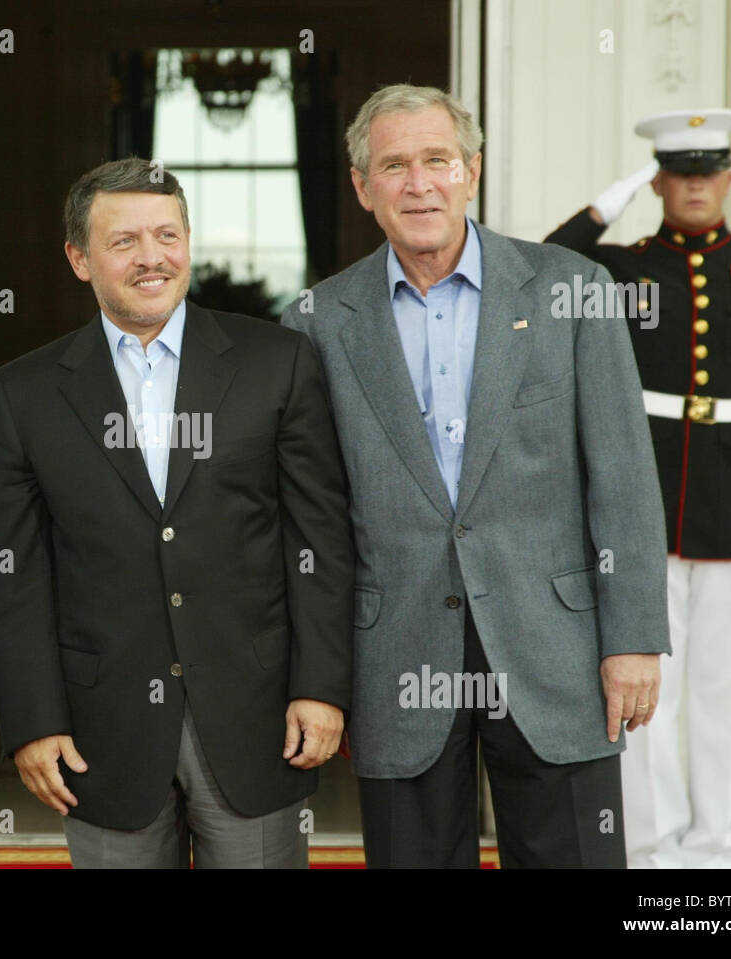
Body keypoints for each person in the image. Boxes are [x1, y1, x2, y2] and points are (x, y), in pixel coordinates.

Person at [283, 84, 671, 868]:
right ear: (362, 187)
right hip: (395, 649)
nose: (418, 183)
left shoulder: (572, 290)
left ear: (473, 171)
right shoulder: (318, 320)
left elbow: (623, 476)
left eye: (437, 160)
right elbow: (313, 519)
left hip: (556, 644)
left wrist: (633, 636)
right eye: (394, 165)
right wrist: (315, 674)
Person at [0, 157, 354, 868]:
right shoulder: (23, 393)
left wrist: (321, 686)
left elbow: (321, 540)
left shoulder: (278, 362)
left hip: (258, 718)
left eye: (167, 235)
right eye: (124, 241)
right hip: (100, 733)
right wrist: (32, 721)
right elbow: (13, 575)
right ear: (79, 258)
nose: (152, 257)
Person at [546, 109, 731, 868]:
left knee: (726, 695)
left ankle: (715, 850)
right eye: (679, 172)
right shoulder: (620, 268)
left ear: (728, 176)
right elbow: (536, 274)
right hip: (639, 505)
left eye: (709, 171)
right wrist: (600, 212)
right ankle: (651, 848)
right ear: (658, 180)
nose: (695, 184)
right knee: (642, 689)